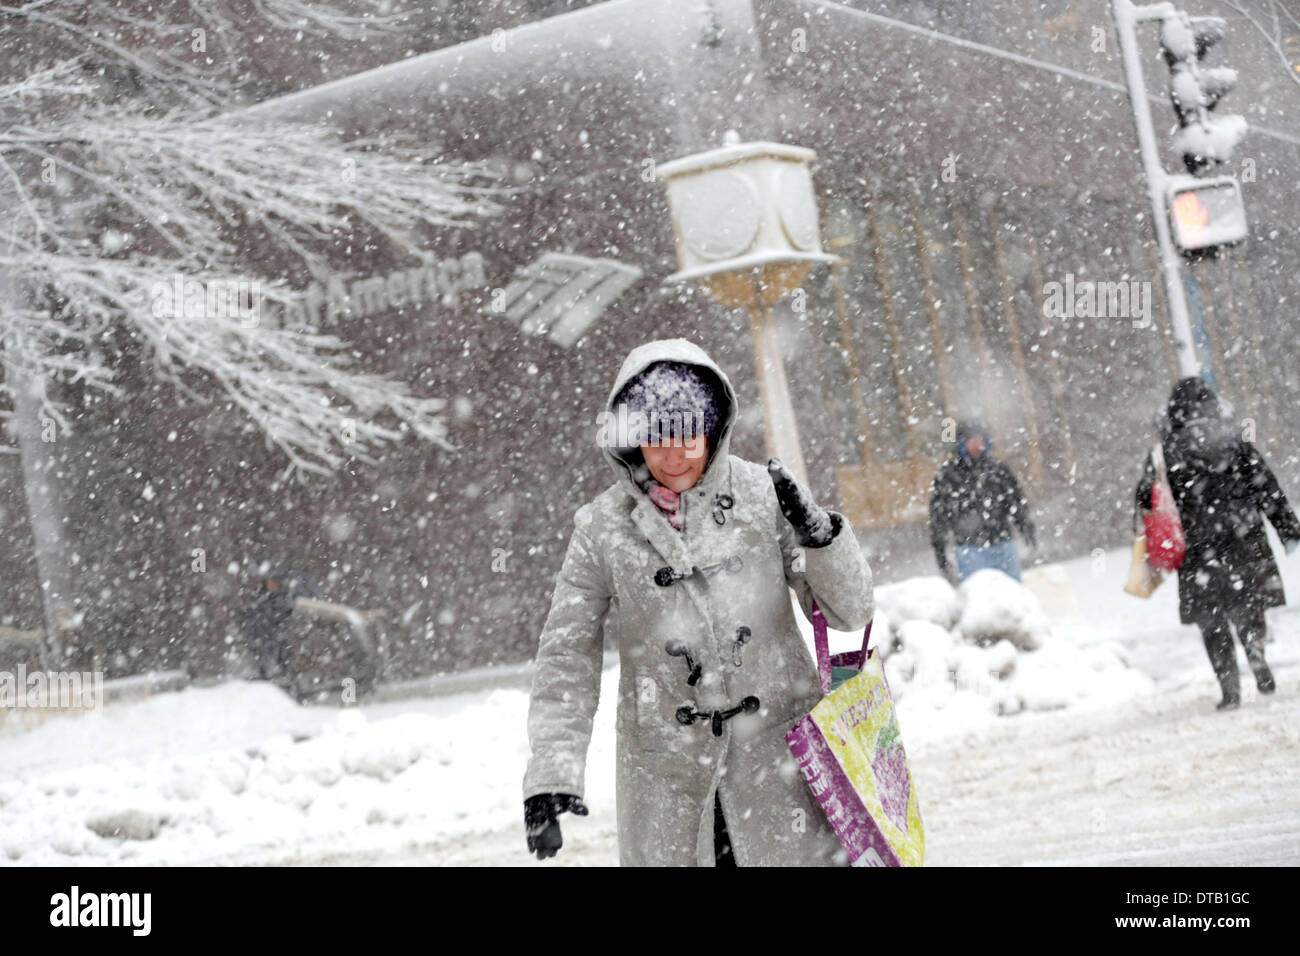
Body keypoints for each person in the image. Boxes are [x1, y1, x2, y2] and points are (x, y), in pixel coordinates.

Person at [522, 338, 873, 866]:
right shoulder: (601, 528)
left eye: (688, 433)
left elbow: (852, 613)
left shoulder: (763, 496)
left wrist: (820, 537)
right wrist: (551, 770)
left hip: (780, 772)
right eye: (656, 438)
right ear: (633, 441)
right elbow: (567, 655)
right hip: (666, 782)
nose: (674, 454)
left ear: (712, 428)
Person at [1134, 377, 1300, 711]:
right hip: (1244, 536)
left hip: (1197, 547)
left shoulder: (1164, 452)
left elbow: (1146, 499)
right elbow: (1264, 484)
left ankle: (1229, 690)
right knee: (1249, 603)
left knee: (1212, 620)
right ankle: (1254, 649)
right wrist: (1287, 527)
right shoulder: (1233, 440)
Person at [928, 420, 1036, 583]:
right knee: (980, 598)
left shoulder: (997, 469)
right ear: (961, 444)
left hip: (1003, 544)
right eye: (972, 440)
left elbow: (1015, 501)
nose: (978, 445)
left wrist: (1026, 527)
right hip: (970, 550)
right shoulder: (948, 476)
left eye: (981, 439)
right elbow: (938, 516)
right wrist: (940, 551)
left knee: (1012, 593)